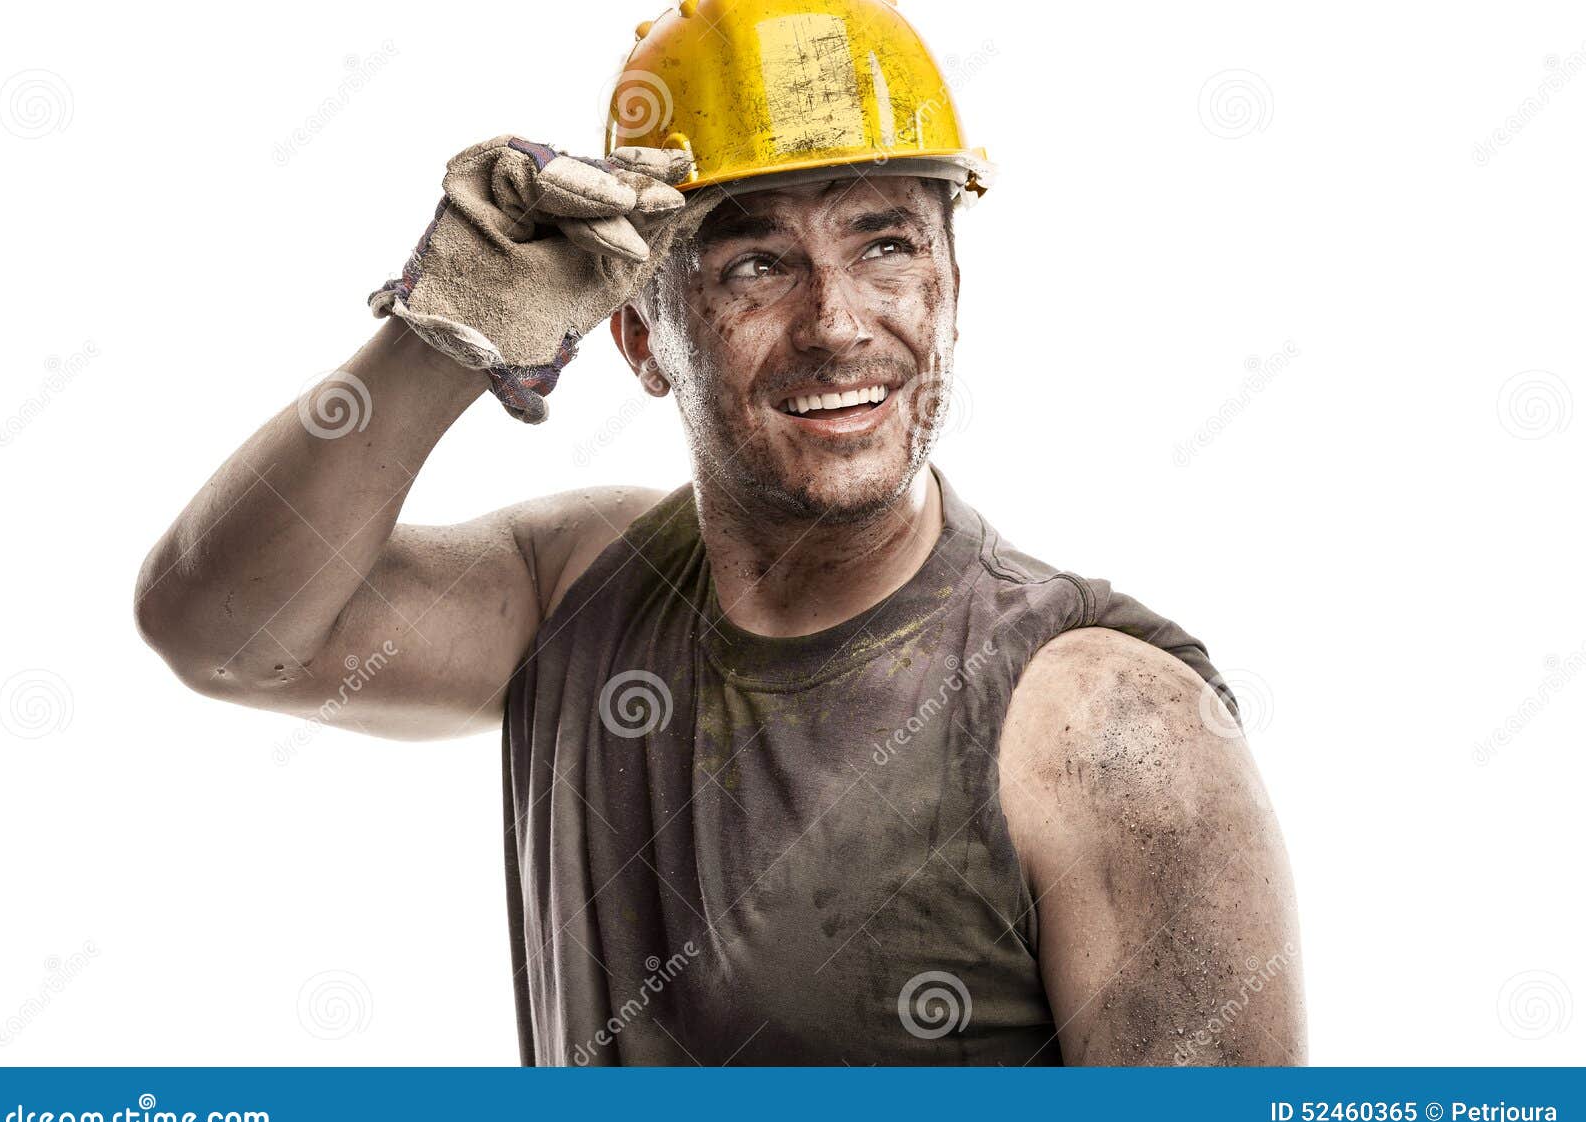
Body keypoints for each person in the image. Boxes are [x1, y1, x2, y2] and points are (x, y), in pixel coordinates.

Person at [134, 0, 1304, 1065]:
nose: (837, 323)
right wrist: (444, 332)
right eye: (754, 262)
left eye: (885, 243)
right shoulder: (574, 593)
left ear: (948, 284)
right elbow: (223, 629)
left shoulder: (1111, 722)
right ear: (643, 339)